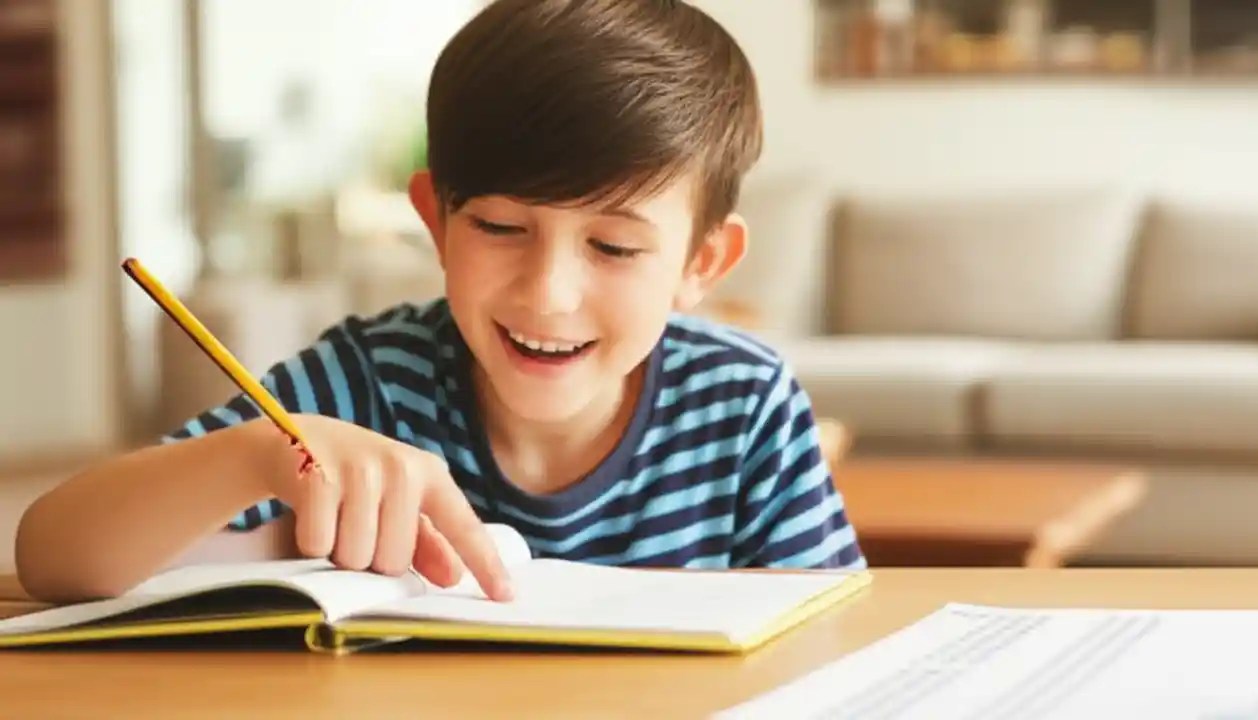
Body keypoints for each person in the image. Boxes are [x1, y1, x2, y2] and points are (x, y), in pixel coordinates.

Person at [15, 0, 864, 604]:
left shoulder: (744, 401)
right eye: (500, 227)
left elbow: (832, 630)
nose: (548, 293)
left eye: (613, 246)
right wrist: (255, 457)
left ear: (702, 261)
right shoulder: (366, 384)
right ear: (435, 218)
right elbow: (51, 556)